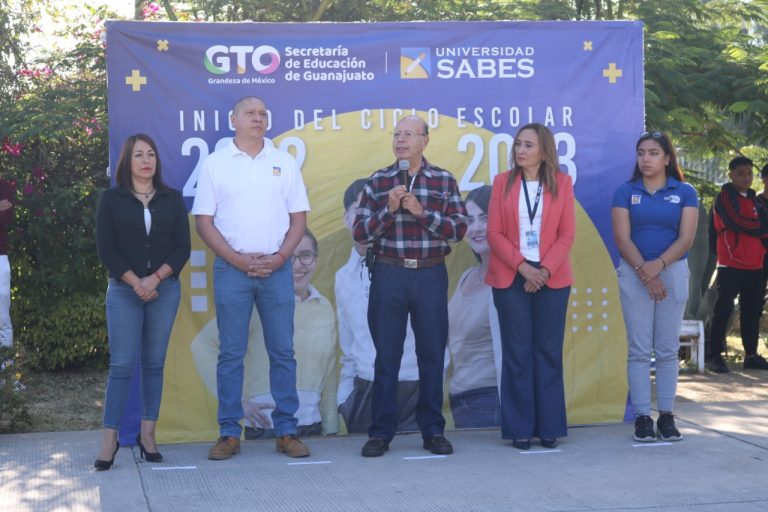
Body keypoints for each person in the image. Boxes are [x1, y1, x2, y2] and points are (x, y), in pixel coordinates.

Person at [192, 96, 311, 460]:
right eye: (250, 113)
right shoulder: (215, 164)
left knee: (283, 352)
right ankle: (229, 432)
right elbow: (204, 222)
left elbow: (299, 220)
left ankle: (287, 430)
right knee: (230, 353)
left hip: (276, 272)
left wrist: (278, 259)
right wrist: (238, 260)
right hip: (232, 270)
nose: (258, 118)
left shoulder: (284, 162)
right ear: (234, 120)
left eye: (263, 113)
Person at [353, 115, 468, 457]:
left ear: (425, 141)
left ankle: (432, 430)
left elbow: (459, 230)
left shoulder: (443, 180)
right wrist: (388, 210)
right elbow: (360, 233)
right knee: (387, 356)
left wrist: (421, 212)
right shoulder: (379, 181)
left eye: (409, 134)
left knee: (431, 356)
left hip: (430, 276)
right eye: (397, 134)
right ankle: (381, 433)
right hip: (389, 275)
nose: (401, 140)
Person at [94, 134, 190, 470]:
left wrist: (156, 278)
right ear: (127, 161)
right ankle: (110, 439)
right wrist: (137, 282)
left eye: (151, 153)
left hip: (164, 289)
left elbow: (182, 247)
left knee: (153, 364)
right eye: (138, 154)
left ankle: (148, 436)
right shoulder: (111, 199)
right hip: (124, 291)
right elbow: (106, 249)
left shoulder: (171, 199)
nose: (146, 160)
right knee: (121, 366)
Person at [191, 228, 338, 438]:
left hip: (312, 424)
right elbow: (202, 345)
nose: (297, 265)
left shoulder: (323, 307)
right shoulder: (257, 305)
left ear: (316, 259)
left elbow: (329, 371)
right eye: (289, 257)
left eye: (306, 256)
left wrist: (331, 427)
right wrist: (240, 404)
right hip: (265, 427)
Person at [486, 123, 574, 450]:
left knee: (548, 352)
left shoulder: (562, 184)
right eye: (518, 144)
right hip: (511, 275)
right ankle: (520, 428)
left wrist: (545, 270)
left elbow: (567, 235)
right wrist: (524, 267)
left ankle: (549, 427)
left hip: (552, 277)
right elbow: (494, 234)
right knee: (517, 352)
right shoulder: (502, 183)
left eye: (528, 145)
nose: (520, 150)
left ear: (544, 151)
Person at [612, 130, 697, 442]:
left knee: (666, 349)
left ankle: (667, 416)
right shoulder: (625, 191)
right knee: (638, 350)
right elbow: (622, 238)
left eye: (652, 153)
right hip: (634, 273)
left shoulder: (685, 191)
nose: (645, 159)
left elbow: (686, 238)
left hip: (672, 272)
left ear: (667, 158)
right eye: (641, 153)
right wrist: (645, 273)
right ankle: (642, 418)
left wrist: (658, 267)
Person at [335, 178, 420, 434]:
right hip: (364, 390)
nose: (368, 219)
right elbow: (347, 344)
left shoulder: (412, 263)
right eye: (359, 212)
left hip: (411, 387)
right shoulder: (343, 277)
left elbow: (436, 337)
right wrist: (345, 400)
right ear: (346, 218)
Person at [707, 156, 768, 373]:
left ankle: (751, 355)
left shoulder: (757, 202)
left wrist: (757, 230)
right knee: (723, 308)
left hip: (756, 264)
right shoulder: (723, 198)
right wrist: (758, 228)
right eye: (741, 173)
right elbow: (735, 222)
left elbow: (761, 225)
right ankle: (715, 355)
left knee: (752, 310)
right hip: (730, 263)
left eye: (750, 173)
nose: (746, 177)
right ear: (730, 175)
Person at [448, 185, 500, 428]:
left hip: (490, 401)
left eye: (485, 218)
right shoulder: (466, 277)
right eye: (469, 220)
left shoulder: (507, 283)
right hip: (460, 400)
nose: (476, 227)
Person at [0, 178, 13, 347]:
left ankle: (6, 367)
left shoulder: (4, 187)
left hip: (0, 257)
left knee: (2, 315)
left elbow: (6, 218)